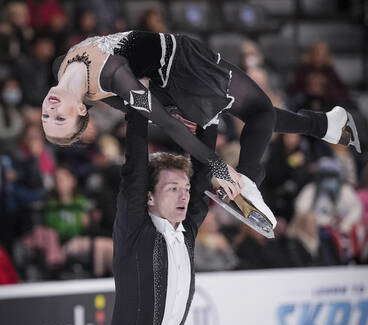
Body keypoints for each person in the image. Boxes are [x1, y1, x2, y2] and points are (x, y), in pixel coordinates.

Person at [41, 31, 360, 229]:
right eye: (60, 119)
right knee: (259, 111)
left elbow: (121, 103)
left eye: (48, 117)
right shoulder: (111, 74)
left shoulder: (61, 66)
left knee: (256, 114)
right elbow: (157, 120)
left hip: (170, 83)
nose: (51, 110)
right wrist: (218, 166)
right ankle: (247, 181)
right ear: (80, 111)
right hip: (185, 65)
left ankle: (327, 125)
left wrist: (164, 110)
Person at [73, 110, 213, 325]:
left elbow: (202, 177)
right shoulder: (136, 229)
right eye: (172, 188)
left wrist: (207, 119)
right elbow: (135, 169)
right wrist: (137, 107)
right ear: (149, 197)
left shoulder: (186, 232)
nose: (184, 196)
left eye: (185, 189)